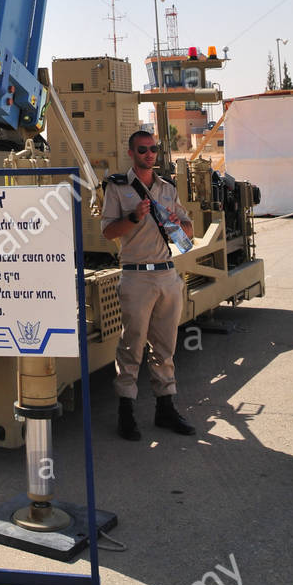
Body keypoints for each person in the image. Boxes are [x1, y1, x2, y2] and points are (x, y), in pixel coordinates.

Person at [101, 130, 196, 440]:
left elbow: (188, 233)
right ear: (131, 152)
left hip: (167, 275)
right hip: (136, 275)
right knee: (132, 346)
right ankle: (126, 413)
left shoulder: (167, 189)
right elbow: (108, 232)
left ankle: (165, 408)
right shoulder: (118, 187)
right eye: (143, 149)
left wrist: (177, 221)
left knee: (166, 347)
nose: (149, 154)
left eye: (153, 149)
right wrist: (133, 217)